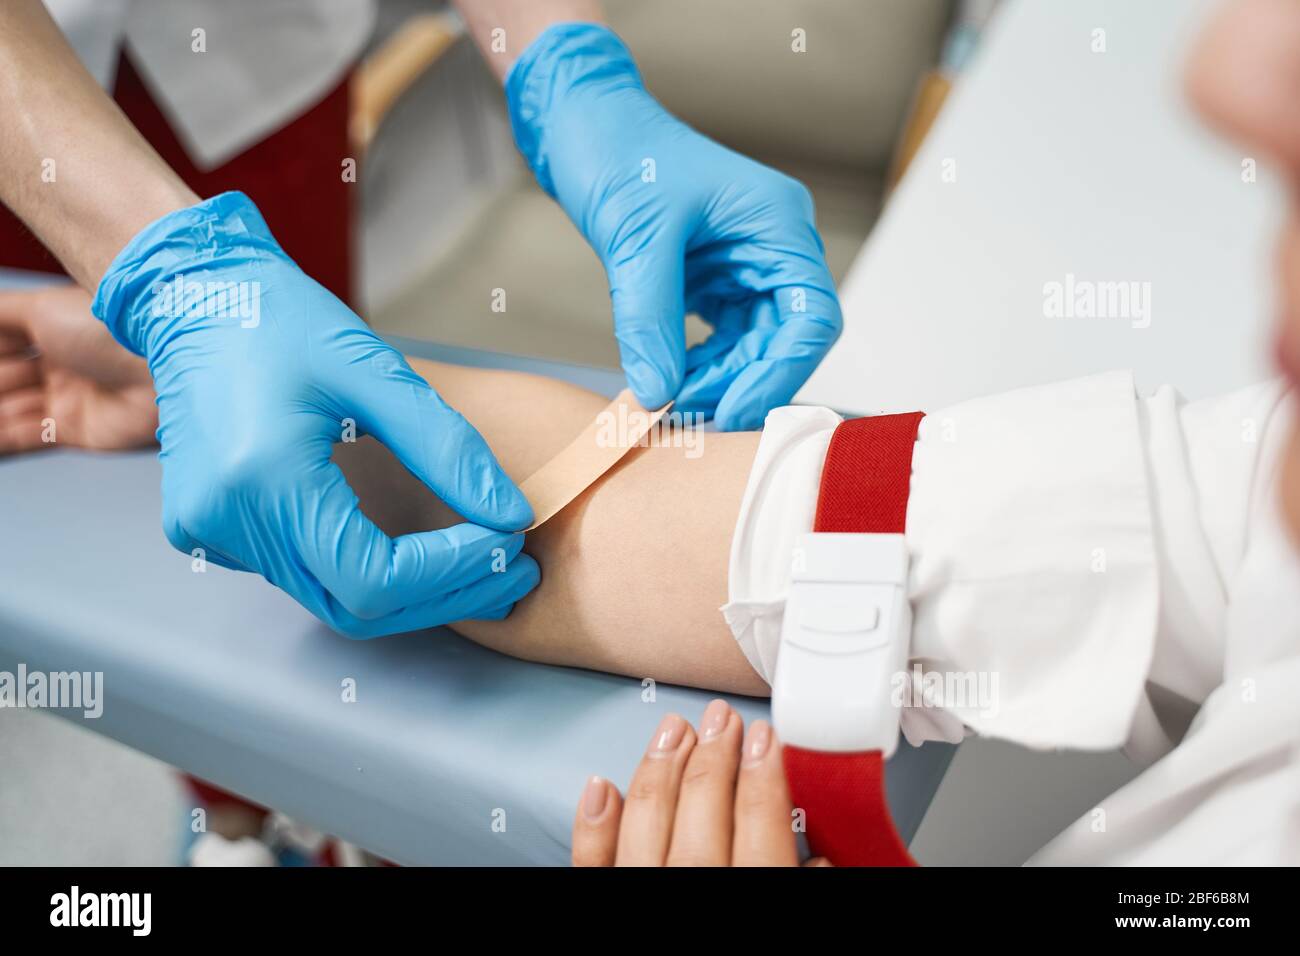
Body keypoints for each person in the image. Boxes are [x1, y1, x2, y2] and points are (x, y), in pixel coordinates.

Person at [4, 0, 1297, 866]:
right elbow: (719, 526)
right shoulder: (1251, 492)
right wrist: (168, 304)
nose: (1223, 76)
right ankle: (249, 817)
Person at [0, 0, 840, 637]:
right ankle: (230, 818)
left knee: (310, 455)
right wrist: (172, 279)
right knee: (178, 508)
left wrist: (567, 67)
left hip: (256, 52)